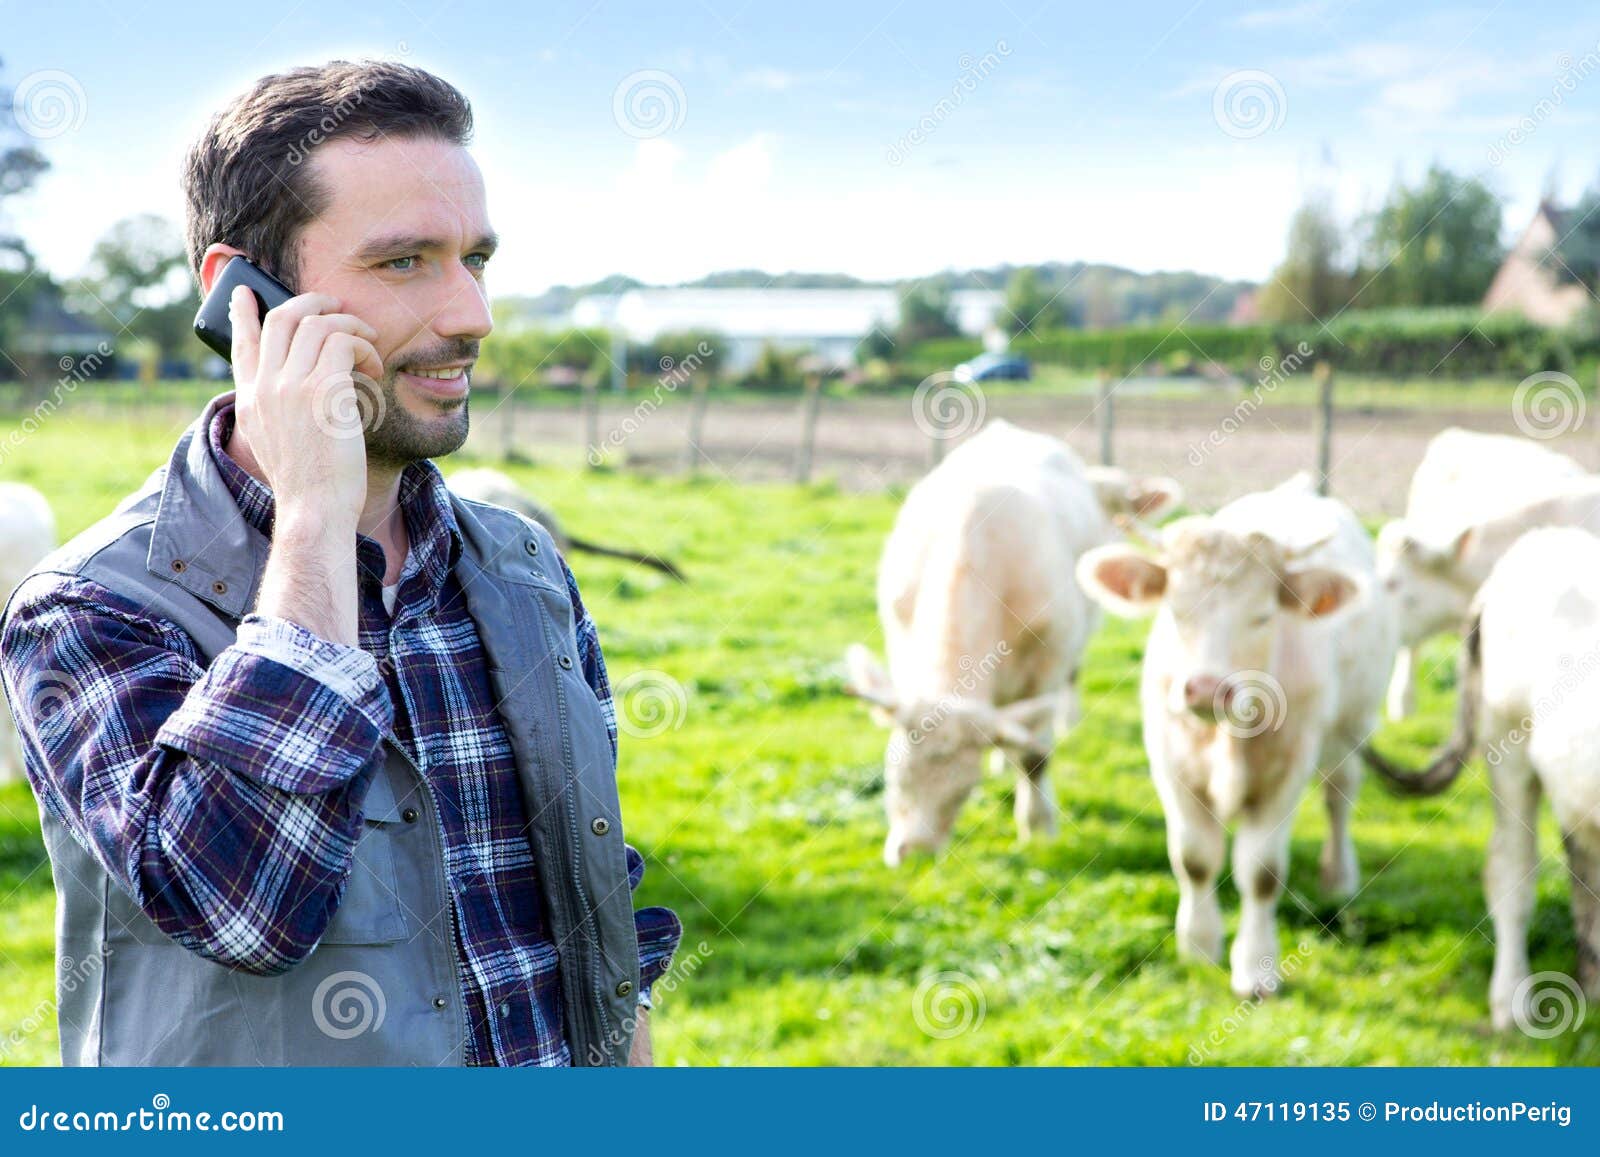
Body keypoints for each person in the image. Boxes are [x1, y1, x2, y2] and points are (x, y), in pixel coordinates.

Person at [0, 59, 679, 1067]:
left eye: (474, 259)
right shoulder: (90, 607)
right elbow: (239, 910)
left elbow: (591, 916)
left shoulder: (524, 567)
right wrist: (314, 519)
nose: (470, 316)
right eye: (405, 262)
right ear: (245, 298)